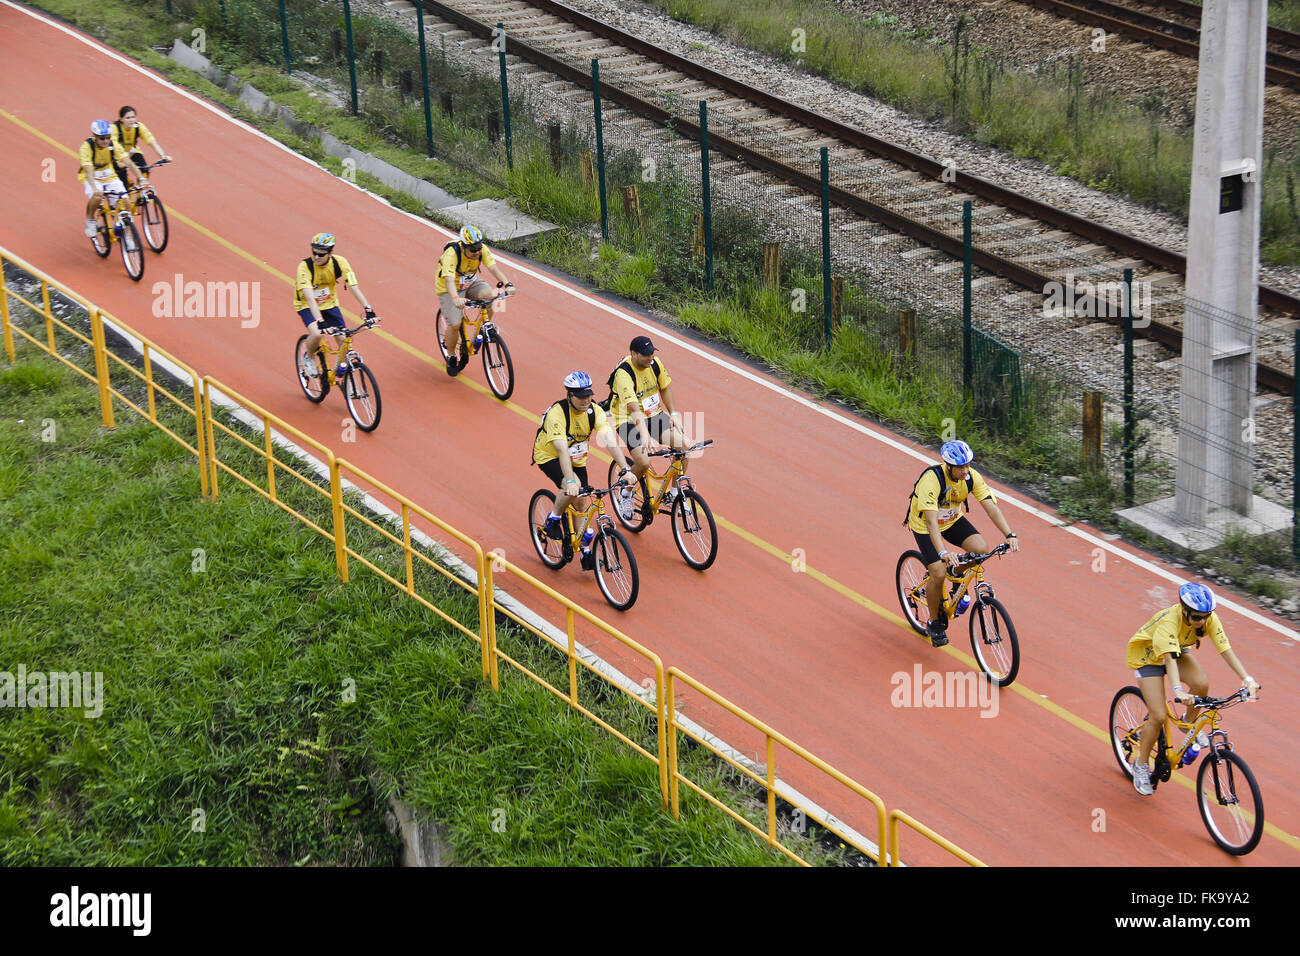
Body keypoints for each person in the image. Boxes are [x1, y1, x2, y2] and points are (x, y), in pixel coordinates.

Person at [1124, 583, 1260, 796]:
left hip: (1175, 650)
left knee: (1201, 684)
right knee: (1158, 716)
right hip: (1148, 657)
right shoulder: (1169, 622)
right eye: (1197, 617)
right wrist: (1178, 691)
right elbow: (1168, 660)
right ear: (1184, 610)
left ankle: (1187, 725)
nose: (1202, 621)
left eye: (1206, 616)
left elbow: (1225, 649)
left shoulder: (1207, 619)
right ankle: (1140, 766)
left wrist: (1247, 679)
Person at [903, 440, 1019, 647]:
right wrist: (943, 552)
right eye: (961, 467)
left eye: (968, 465)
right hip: (925, 525)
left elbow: (991, 508)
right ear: (948, 466)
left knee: (981, 549)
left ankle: (956, 573)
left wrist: (1010, 534)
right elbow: (931, 522)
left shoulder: (971, 477)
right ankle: (935, 622)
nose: (966, 470)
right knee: (938, 573)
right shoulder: (932, 480)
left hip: (951, 520)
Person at [532, 371, 634, 568]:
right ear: (569, 395)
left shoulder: (594, 411)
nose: (586, 400)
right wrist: (569, 481)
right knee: (574, 487)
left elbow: (610, 441)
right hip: (550, 455)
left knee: (581, 503)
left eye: (589, 395)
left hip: (577, 458)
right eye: (580, 396)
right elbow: (561, 449)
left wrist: (625, 469)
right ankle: (553, 519)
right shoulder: (557, 414)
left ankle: (585, 551)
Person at [604, 335, 690, 523]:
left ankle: (674, 493)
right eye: (645, 355)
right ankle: (625, 494)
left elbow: (665, 388)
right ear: (633, 354)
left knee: (684, 447)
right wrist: (645, 436)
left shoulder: (655, 363)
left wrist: (674, 414)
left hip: (654, 414)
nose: (650, 357)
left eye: (652, 353)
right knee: (643, 461)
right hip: (627, 418)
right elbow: (633, 409)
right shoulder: (624, 374)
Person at [437, 224, 513, 377]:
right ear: (463, 247)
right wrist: (456, 298)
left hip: (470, 282)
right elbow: (450, 281)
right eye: (473, 250)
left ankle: (481, 332)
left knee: (490, 296)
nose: (477, 252)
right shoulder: (452, 254)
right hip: (450, 288)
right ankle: (451, 355)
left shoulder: (481, 250)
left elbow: (493, 268)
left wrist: (508, 284)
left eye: (479, 248)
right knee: (455, 324)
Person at [294, 233, 377, 372]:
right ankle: (308, 357)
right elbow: (309, 298)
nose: (316, 257)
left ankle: (343, 375)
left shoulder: (340, 263)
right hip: (307, 305)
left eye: (321, 254)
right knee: (318, 333)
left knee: (343, 341)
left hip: (329, 304)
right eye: (314, 253)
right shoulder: (304, 267)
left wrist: (368, 309)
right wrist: (320, 321)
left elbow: (353, 286)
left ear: (331, 253)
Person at [79, 119, 130, 238]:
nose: (106, 140)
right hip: (92, 176)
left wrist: (141, 179)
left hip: (109, 175)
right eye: (102, 138)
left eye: (108, 137)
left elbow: (127, 160)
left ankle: (123, 230)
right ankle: (91, 220)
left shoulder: (112, 144)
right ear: (95, 137)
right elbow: (88, 168)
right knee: (97, 196)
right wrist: (94, 187)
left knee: (126, 202)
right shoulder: (86, 147)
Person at [111, 105, 171, 181]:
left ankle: (142, 191)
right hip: (119, 156)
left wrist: (163, 155)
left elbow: (152, 142)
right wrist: (124, 162)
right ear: (121, 119)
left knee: (145, 171)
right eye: (128, 118)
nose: (131, 120)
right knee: (122, 177)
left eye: (133, 117)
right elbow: (114, 146)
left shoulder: (139, 127)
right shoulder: (114, 128)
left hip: (132, 152)